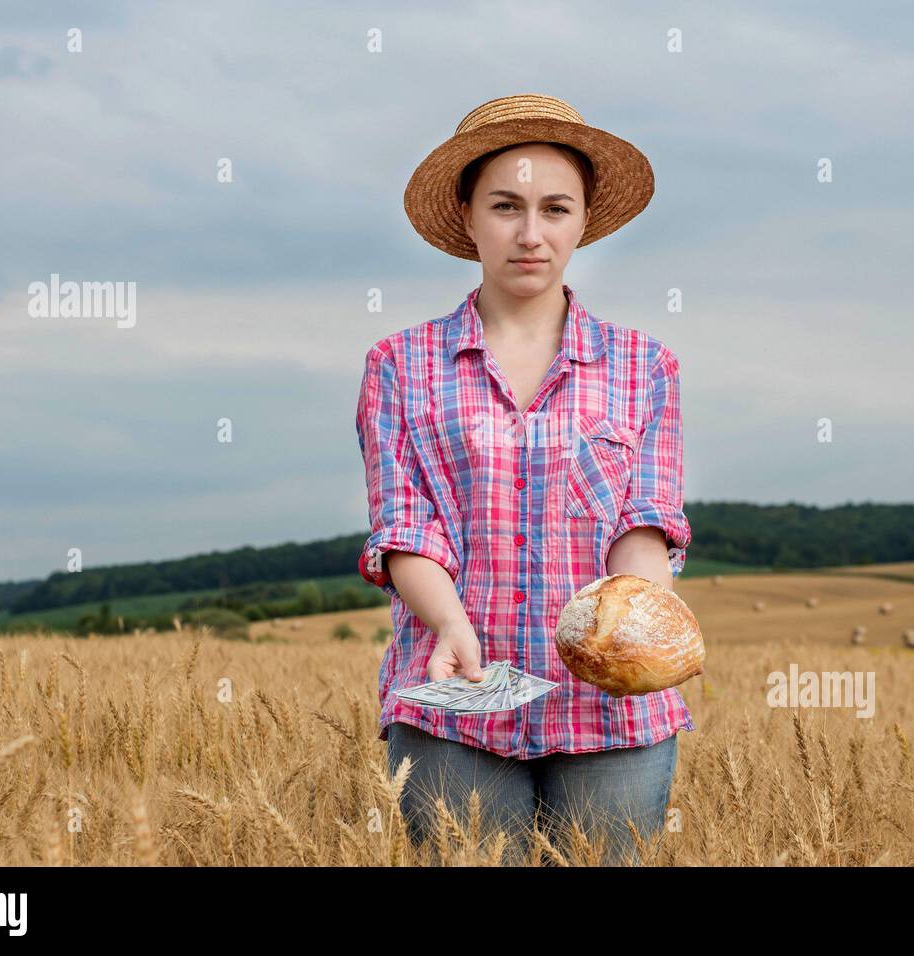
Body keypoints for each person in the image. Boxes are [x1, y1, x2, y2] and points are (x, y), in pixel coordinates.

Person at [354, 93, 694, 865]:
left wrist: (644, 619)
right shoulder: (399, 366)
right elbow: (405, 528)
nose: (531, 234)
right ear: (468, 213)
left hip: (610, 714)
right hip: (453, 701)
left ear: (584, 221)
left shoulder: (646, 366)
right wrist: (449, 624)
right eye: (506, 206)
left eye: (555, 208)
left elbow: (646, 520)